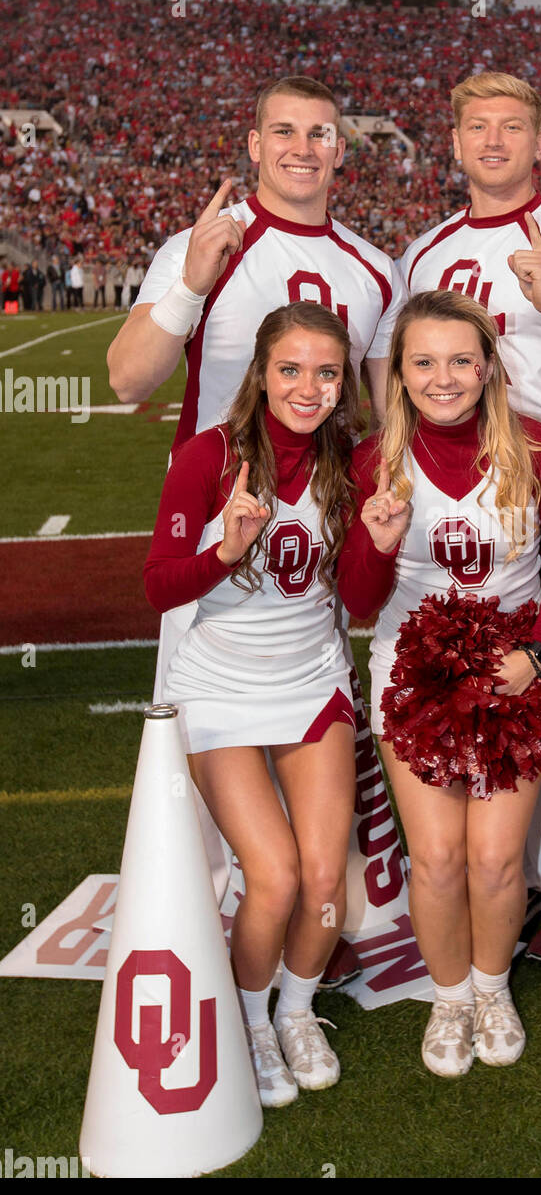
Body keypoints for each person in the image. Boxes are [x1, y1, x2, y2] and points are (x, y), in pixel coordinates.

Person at [108, 75, 405, 988]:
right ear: (253, 143)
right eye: (285, 131)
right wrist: (192, 286)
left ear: (342, 151)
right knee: (195, 773)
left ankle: (297, 965)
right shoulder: (204, 245)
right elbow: (128, 379)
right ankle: (196, 960)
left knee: (312, 787)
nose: (303, 148)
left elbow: (386, 412)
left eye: (321, 133)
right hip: (214, 548)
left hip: (309, 547)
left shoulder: (375, 267)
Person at [397, 71, 541, 968]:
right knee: (460, 681)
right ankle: (500, 877)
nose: (494, 141)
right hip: (452, 492)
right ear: (454, 143)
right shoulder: (426, 250)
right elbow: (399, 379)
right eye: (477, 127)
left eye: (512, 126)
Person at [338, 289, 541, 1075]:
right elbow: (357, 600)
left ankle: (492, 988)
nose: (442, 377)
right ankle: (449, 998)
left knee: (496, 861)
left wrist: (539, 653)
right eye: (423, 362)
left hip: (515, 671)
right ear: (399, 375)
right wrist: (376, 546)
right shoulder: (374, 459)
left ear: (487, 367)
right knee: (440, 858)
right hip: (412, 674)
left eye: (459, 360)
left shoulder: (539, 448)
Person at [143, 300, 361, 1107]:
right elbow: (160, 583)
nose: (309, 386)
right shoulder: (211, 455)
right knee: (270, 878)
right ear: (262, 375)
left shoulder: (349, 458)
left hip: (310, 684)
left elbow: (361, 593)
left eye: (327, 371)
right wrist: (225, 551)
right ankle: (250, 1020)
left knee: (324, 880)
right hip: (221, 687)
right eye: (292, 369)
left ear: (344, 381)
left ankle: (297, 1009)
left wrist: (377, 537)